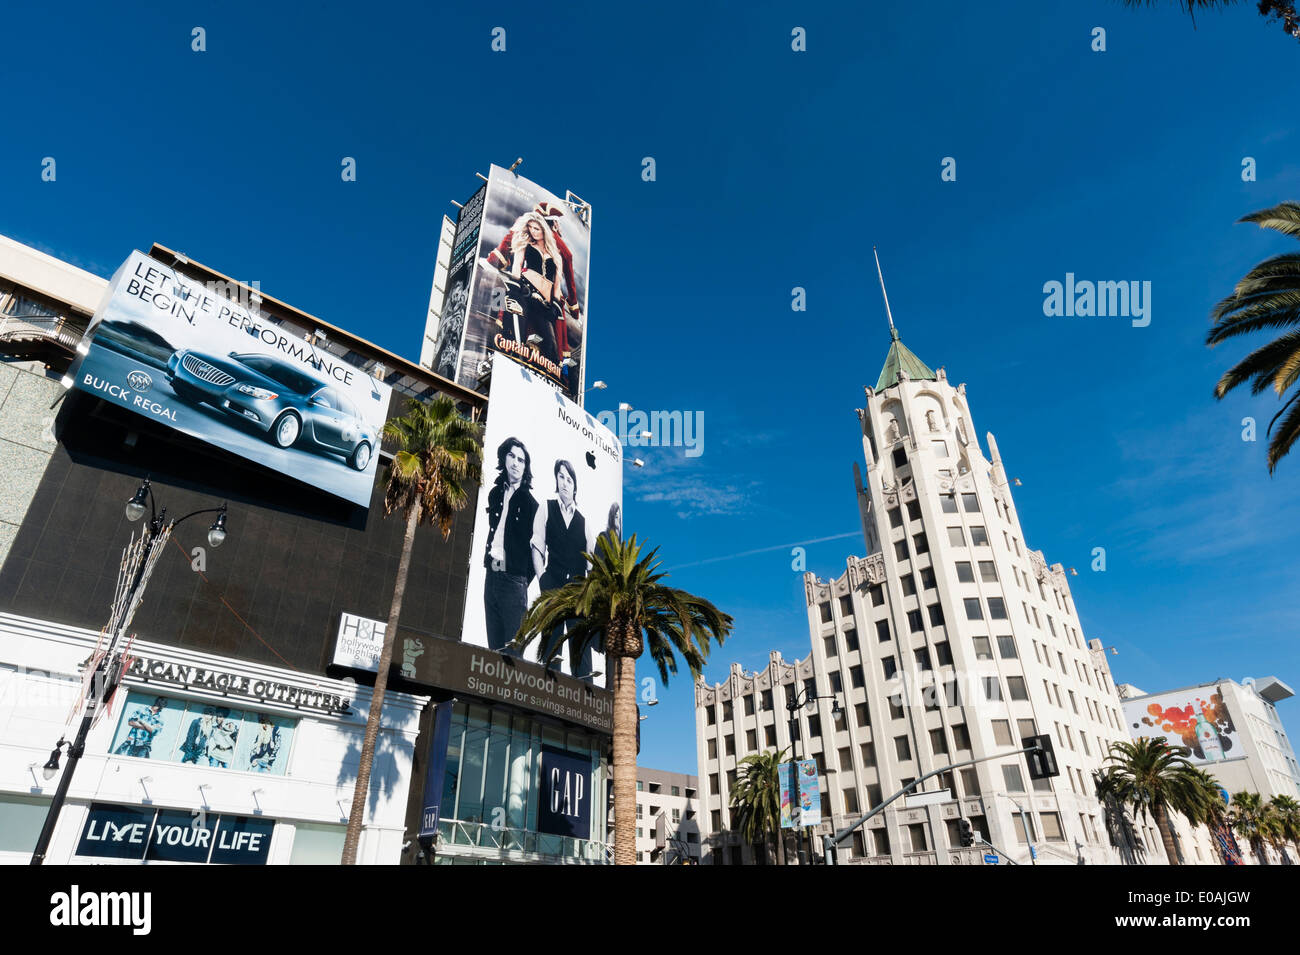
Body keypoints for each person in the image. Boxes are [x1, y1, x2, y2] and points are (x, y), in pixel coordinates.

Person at [532, 460, 590, 677]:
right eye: (561, 476)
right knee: (550, 646)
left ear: (575, 485)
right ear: (556, 479)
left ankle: (584, 699)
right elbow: (537, 545)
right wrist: (543, 578)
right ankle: (547, 695)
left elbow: (591, 563)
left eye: (569, 478)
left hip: (577, 593)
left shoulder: (584, 522)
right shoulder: (546, 507)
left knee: (580, 650)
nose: (565, 482)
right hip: (553, 586)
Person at [483, 437, 539, 653]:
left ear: (526, 467)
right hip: (493, 573)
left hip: (515, 580)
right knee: (493, 650)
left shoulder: (532, 505)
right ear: (504, 458)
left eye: (521, 460)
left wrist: (521, 579)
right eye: (512, 456)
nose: (516, 463)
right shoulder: (494, 494)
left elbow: (539, 551)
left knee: (513, 653)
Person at [485, 212, 561, 364]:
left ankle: (544, 372)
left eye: (537, 228)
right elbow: (517, 266)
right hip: (525, 292)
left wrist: (555, 305)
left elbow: (557, 285)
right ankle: (511, 361)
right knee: (516, 330)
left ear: (544, 230)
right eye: (531, 228)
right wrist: (517, 288)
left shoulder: (555, 255)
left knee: (551, 346)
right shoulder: (525, 244)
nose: (533, 231)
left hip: (545, 304)